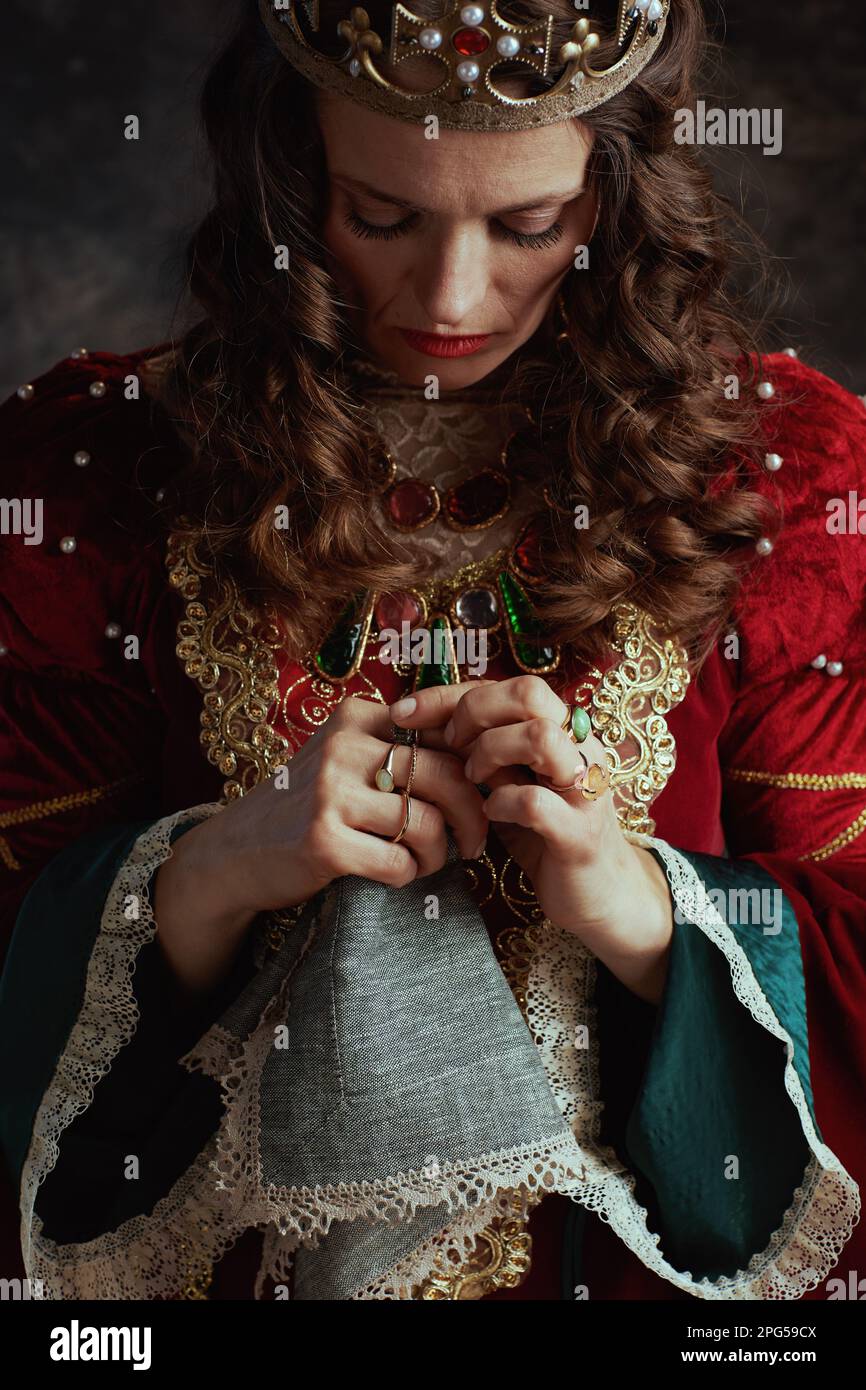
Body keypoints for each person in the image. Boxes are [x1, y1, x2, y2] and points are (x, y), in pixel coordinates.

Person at [0, 0, 864, 1301]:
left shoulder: (783, 477)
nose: (452, 298)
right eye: (382, 215)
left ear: (614, 196)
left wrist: (640, 910)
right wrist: (211, 872)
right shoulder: (97, 468)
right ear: (288, 172)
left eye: (527, 226)